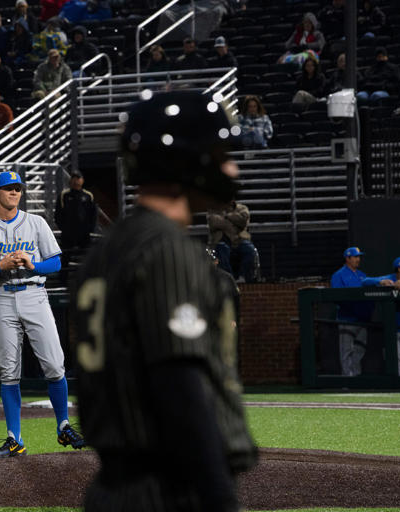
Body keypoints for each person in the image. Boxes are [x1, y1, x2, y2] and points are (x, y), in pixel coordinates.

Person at [75, 91, 257, 512]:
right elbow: (180, 388)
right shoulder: (168, 250)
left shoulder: (104, 252)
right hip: (169, 490)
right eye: (220, 152)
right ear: (187, 161)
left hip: (114, 487)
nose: (230, 166)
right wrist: (220, 501)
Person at [0, 170, 85, 459]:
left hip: (35, 295)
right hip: (3, 296)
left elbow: (55, 263)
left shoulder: (36, 223)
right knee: (8, 370)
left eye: (17, 188)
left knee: (55, 365)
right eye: (8, 188)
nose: (14, 192)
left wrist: (33, 265)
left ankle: (63, 425)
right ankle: (14, 438)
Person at [330, 247, 373, 376]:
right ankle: (347, 379)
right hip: (347, 319)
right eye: (355, 257)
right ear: (348, 258)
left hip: (362, 320)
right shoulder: (339, 275)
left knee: (360, 349)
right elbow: (336, 298)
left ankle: (356, 376)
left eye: (359, 257)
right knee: (346, 350)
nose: (358, 259)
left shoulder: (362, 275)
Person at [207, 200, 257, 283]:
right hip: (219, 242)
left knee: (249, 249)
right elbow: (213, 222)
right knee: (222, 248)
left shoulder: (243, 208)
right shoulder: (213, 209)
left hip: (239, 241)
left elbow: (243, 221)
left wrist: (226, 216)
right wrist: (234, 224)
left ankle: (243, 277)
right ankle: (230, 280)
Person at [54, 170, 96, 264]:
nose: (76, 181)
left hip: (84, 234)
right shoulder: (64, 195)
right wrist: (64, 229)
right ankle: (63, 278)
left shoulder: (88, 196)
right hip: (68, 234)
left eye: (78, 178)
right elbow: (58, 214)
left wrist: (90, 229)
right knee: (65, 258)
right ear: (70, 181)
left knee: (88, 259)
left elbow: (93, 214)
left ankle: (87, 277)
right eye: (74, 178)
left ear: (82, 180)